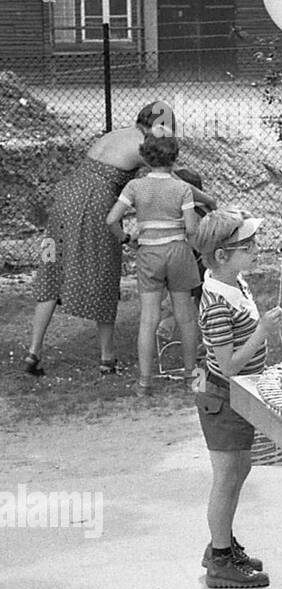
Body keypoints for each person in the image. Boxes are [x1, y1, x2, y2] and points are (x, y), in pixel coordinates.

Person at [24, 101, 179, 377]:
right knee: (105, 273)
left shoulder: (118, 134)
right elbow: (170, 181)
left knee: (53, 271)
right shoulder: (146, 145)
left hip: (66, 198)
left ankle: (33, 352)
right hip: (95, 204)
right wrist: (205, 200)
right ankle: (107, 359)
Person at [192, 209, 282, 588]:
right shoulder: (215, 303)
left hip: (238, 397)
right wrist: (262, 331)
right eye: (246, 246)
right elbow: (228, 365)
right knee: (227, 477)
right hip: (223, 396)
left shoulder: (235, 281)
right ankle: (220, 559)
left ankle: (222, 545)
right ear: (220, 256)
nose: (255, 250)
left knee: (240, 469)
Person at [105, 134, 202, 396]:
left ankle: (145, 383)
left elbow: (111, 219)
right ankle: (191, 376)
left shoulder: (135, 187)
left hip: (149, 253)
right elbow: (192, 228)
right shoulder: (181, 188)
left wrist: (126, 239)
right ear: (175, 158)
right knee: (186, 317)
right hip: (178, 252)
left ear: (146, 157)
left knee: (149, 319)